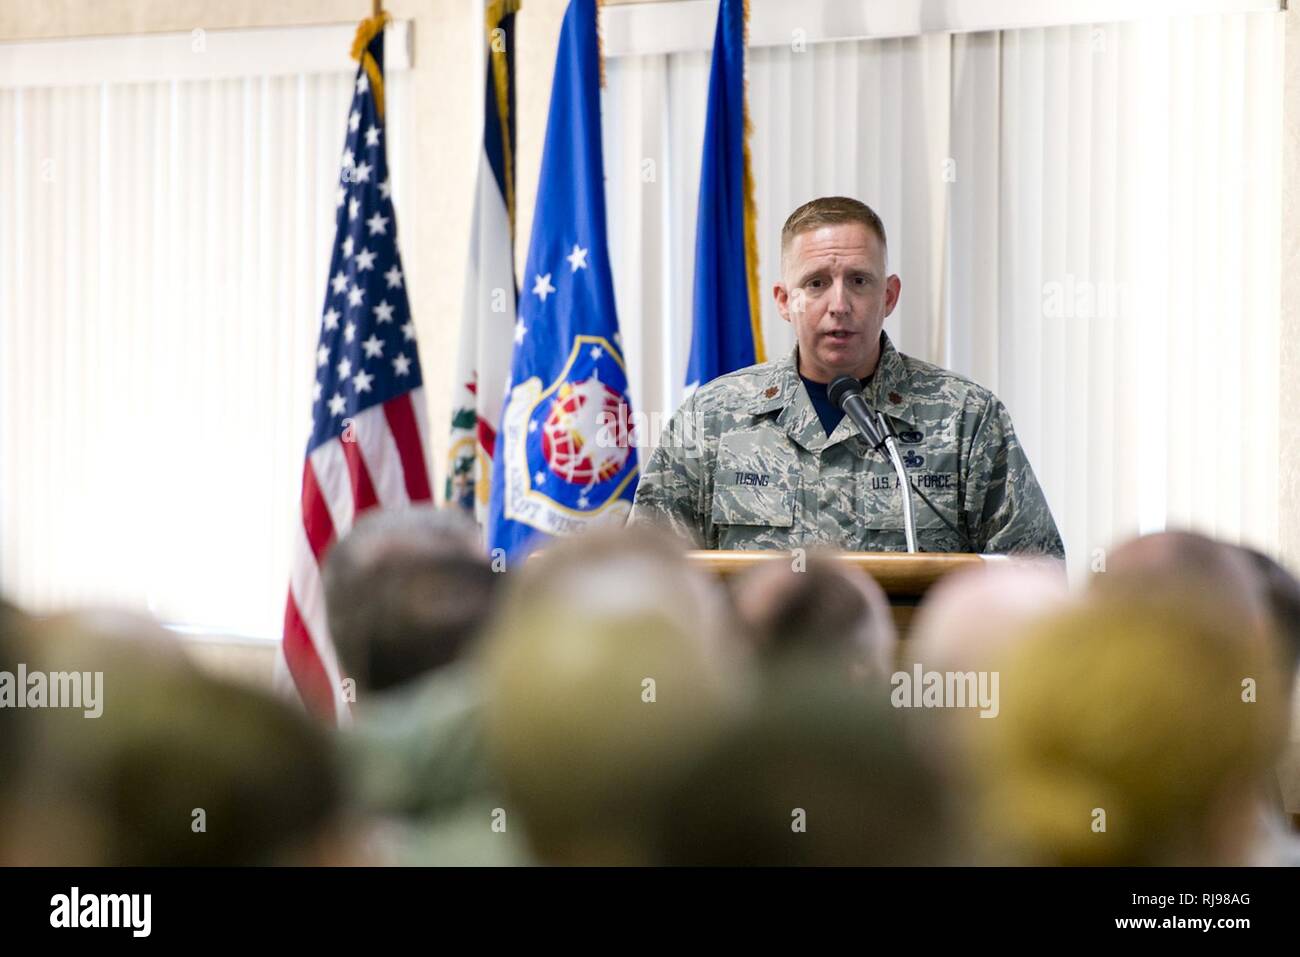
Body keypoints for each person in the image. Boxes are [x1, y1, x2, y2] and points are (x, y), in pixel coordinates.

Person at [630, 196, 1063, 557]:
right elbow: (646, 574)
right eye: (816, 283)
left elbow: (1031, 574)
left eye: (858, 281)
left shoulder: (965, 418)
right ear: (784, 301)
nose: (839, 304)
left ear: (889, 295)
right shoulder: (713, 418)